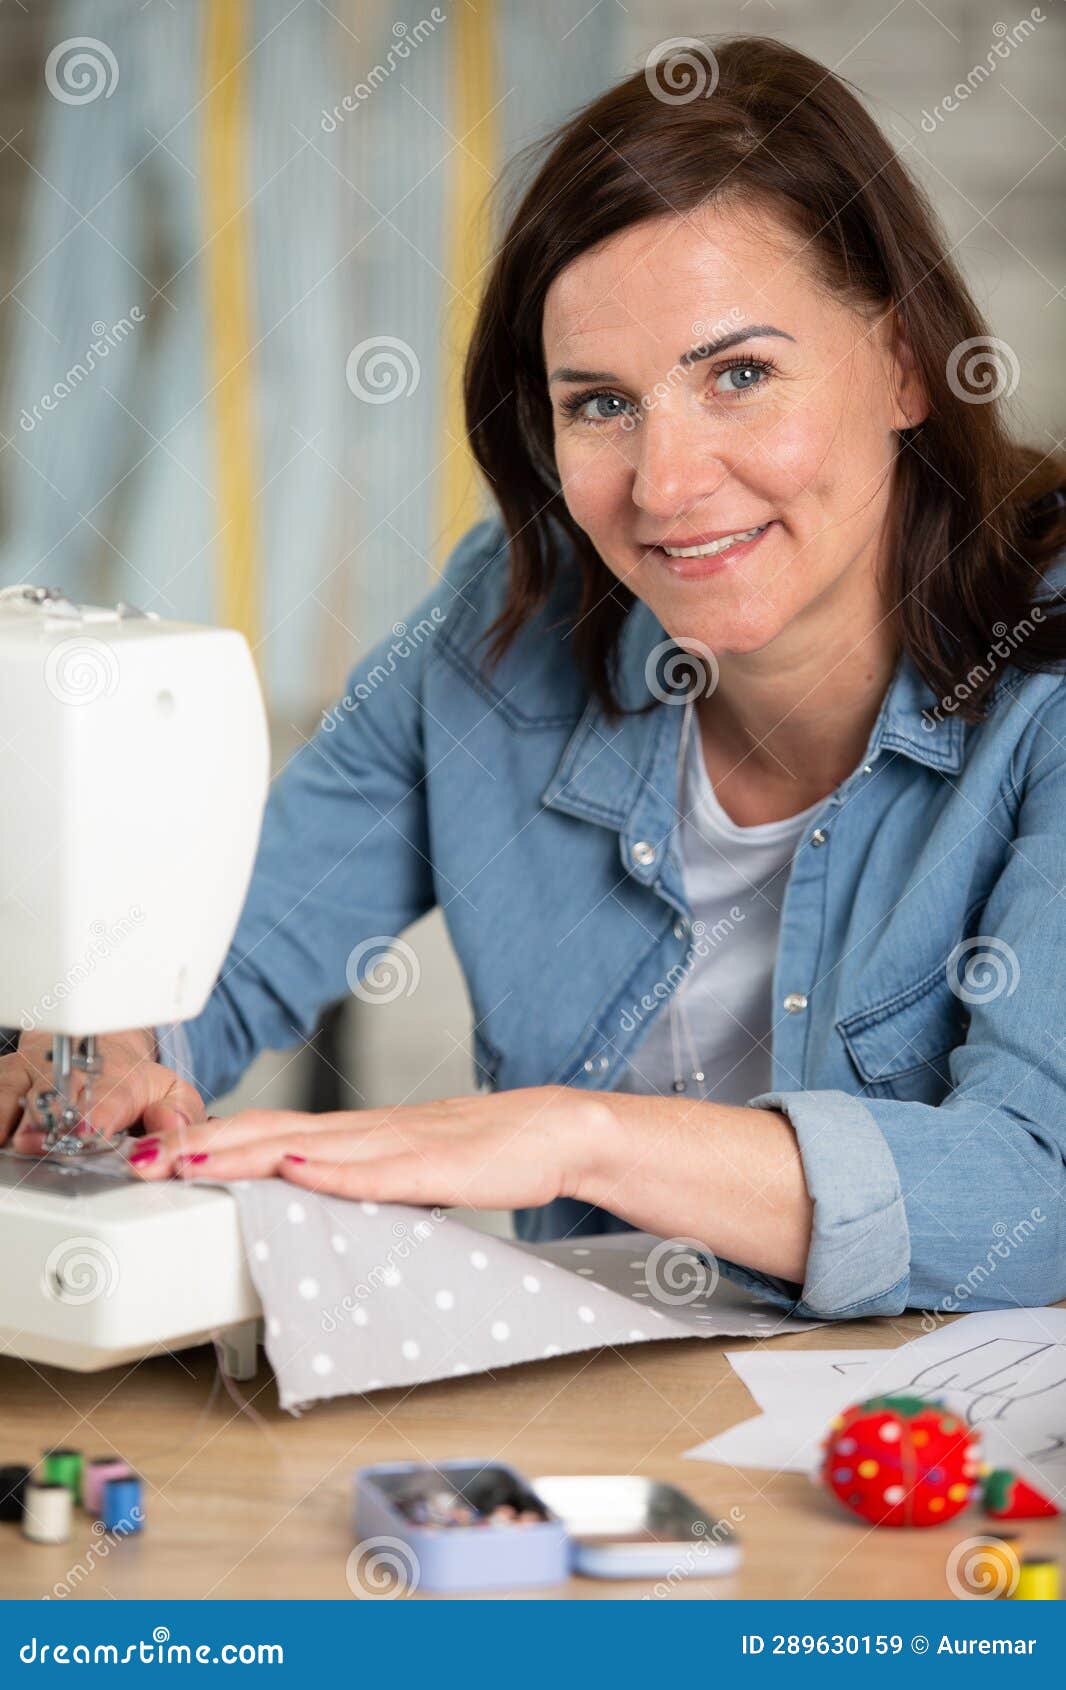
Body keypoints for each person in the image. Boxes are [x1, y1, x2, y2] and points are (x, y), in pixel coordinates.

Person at [4, 36, 1066, 1322]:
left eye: (739, 375)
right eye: (600, 404)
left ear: (904, 364)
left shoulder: (1042, 690)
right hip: (596, 1445)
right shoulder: (500, 631)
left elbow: (1036, 1195)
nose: (664, 486)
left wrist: (576, 1137)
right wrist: (111, 1047)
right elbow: (219, 956)